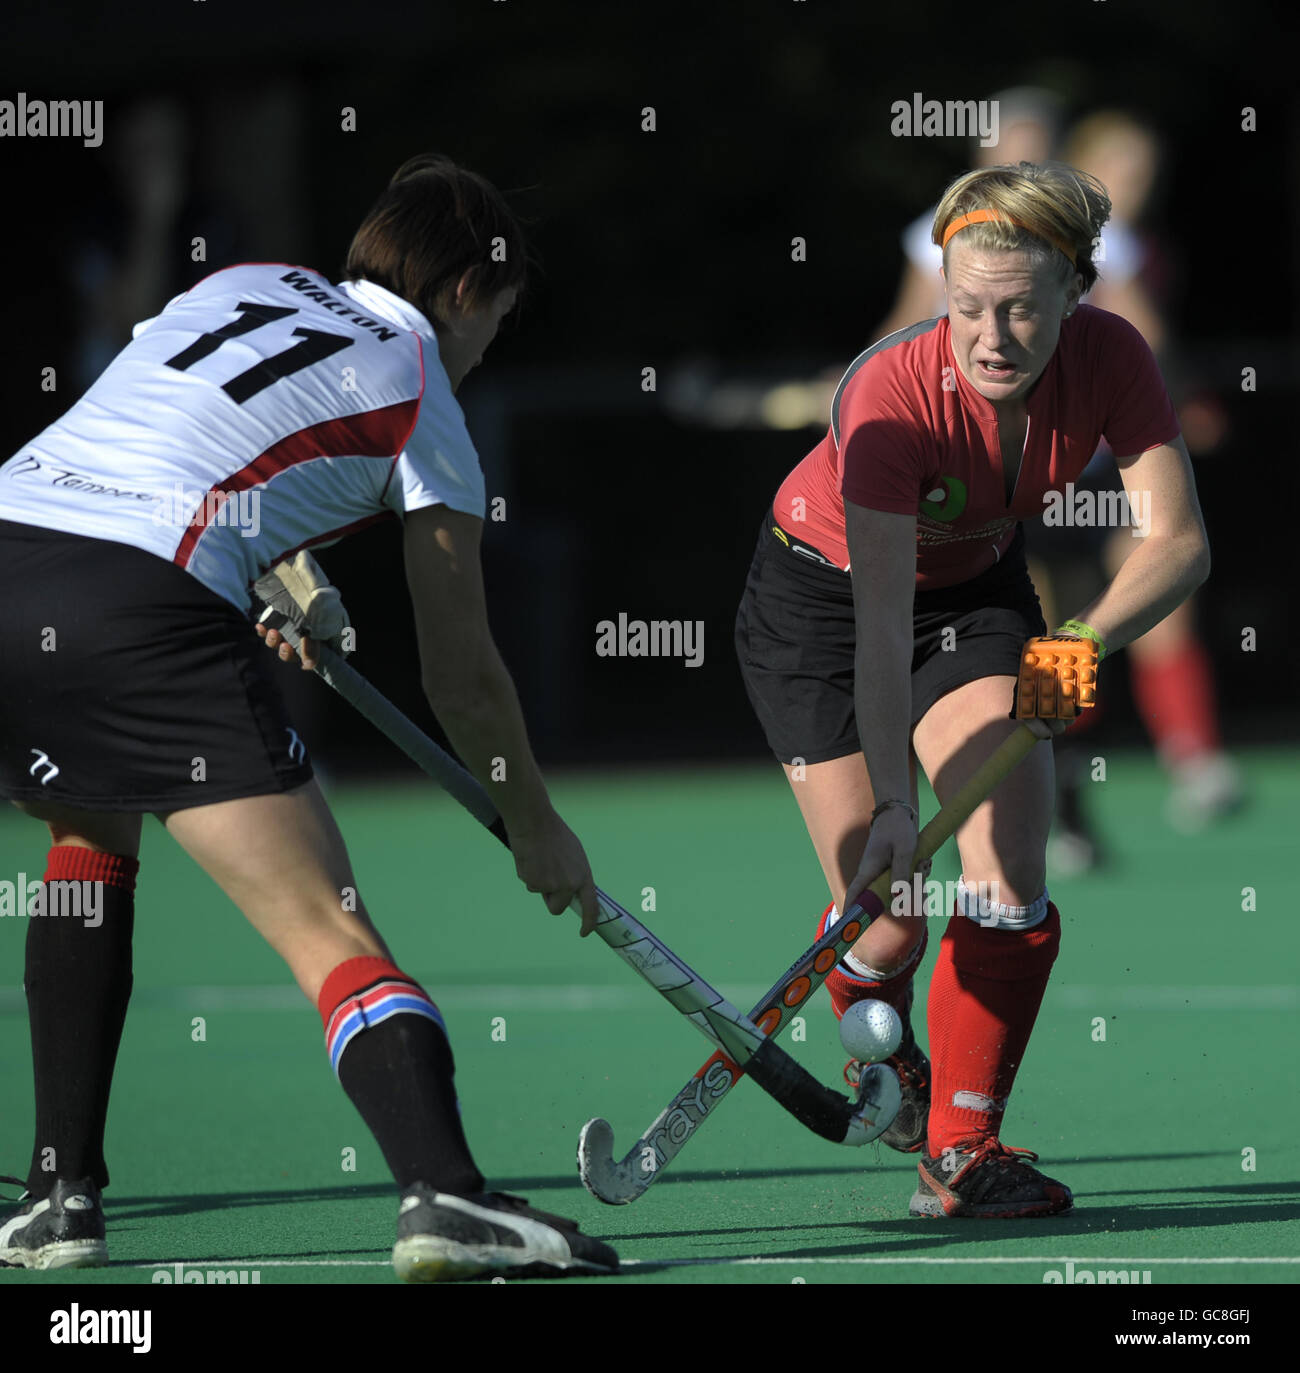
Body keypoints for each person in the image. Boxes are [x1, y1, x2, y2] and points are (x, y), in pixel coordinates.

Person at [0, 154, 618, 1281]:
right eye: (499, 323)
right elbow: (463, 676)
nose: (484, 353)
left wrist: (267, 568)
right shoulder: (422, 382)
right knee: (325, 928)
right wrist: (534, 821)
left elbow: (186, 419)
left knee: (87, 841)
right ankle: (444, 1191)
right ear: (468, 294)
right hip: (144, 596)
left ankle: (58, 1192)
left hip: (15, 548)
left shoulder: (239, 283)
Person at [734, 161, 1210, 1217]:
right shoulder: (887, 395)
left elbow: (1177, 542)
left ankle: (961, 1150)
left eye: (1021, 309)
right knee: (893, 910)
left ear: (1076, 290)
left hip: (974, 593)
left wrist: (1082, 634)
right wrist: (902, 807)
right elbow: (874, 623)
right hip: (820, 613)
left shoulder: (1112, 355)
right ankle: (870, 996)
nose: (990, 337)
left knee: (1007, 850)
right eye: (966, 309)